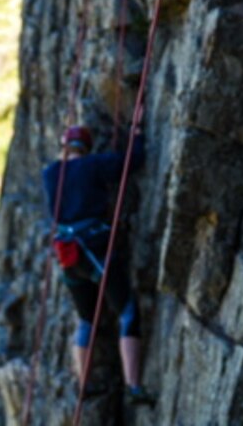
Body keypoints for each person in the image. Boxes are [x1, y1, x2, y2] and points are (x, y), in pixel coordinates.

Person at [42, 123, 154, 406]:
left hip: (68, 256)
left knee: (87, 318)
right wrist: (137, 135)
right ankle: (134, 386)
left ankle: (84, 385)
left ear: (64, 147)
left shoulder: (50, 173)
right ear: (87, 148)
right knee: (127, 311)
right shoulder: (93, 166)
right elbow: (132, 161)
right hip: (93, 250)